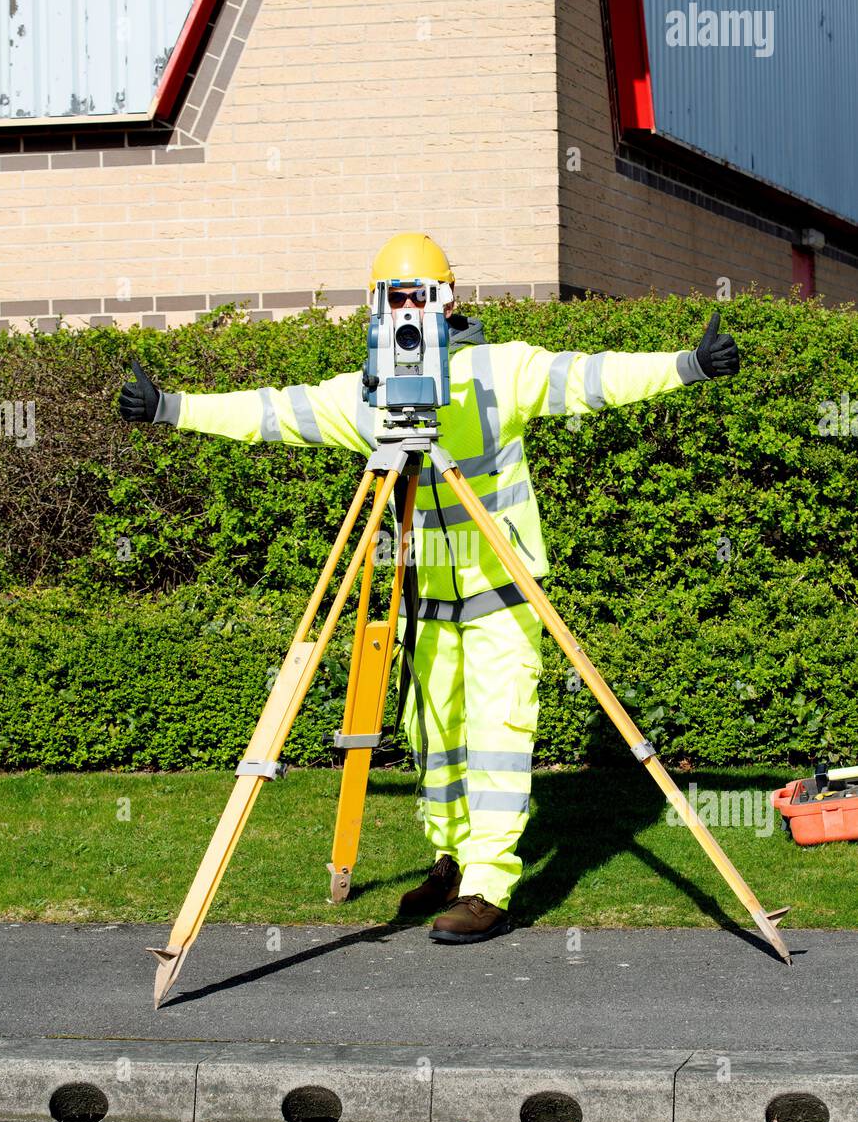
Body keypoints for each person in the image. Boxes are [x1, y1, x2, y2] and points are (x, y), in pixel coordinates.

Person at [119, 233, 739, 944]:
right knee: (435, 741)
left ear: (451, 301)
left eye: (422, 296)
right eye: (396, 298)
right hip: (425, 603)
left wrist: (689, 366)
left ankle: (489, 886)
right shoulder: (369, 398)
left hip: (503, 593)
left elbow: (589, 380)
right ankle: (450, 859)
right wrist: (171, 408)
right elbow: (273, 414)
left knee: (499, 737)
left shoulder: (501, 372)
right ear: (377, 308)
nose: (410, 310)